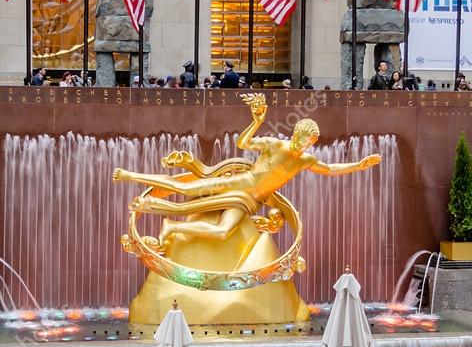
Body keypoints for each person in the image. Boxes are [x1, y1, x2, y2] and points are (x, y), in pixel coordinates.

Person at [113, 93, 380, 244]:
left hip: (251, 202)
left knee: (221, 232)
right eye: (306, 140)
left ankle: (171, 227)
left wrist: (359, 165)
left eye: (311, 143)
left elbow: (330, 169)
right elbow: (243, 142)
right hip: (238, 184)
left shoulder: (305, 161)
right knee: (185, 188)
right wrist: (257, 121)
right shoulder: (275, 144)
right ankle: (130, 175)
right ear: (297, 134)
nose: (307, 145)